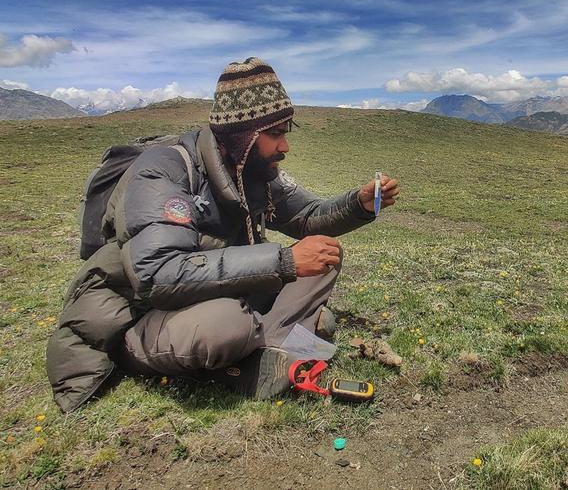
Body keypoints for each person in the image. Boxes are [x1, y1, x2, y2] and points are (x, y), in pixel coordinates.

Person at [46, 57, 399, 412]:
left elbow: (307, 217)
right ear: (242, 137)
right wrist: (284, 262)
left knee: (325, 255)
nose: (285, 147)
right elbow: (157, 275)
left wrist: (359, 204)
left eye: (285, 134)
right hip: (145, 312)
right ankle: (260, 346)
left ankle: (267, 351)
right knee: (228, 325)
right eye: (274, 134)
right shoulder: (162, 171)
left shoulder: (253, 172)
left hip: (215, 293)